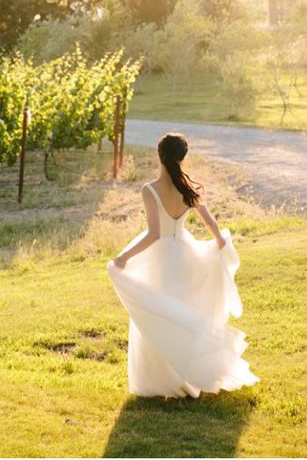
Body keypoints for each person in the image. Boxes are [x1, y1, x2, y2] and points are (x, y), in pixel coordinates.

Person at [107, 131, 258, 398]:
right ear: (182, 157)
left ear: (159, 155)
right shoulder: (189, 188)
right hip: (187, 255)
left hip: (162, 260)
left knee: (161, 316)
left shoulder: (150, 190)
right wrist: (221, 247)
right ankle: (186, 377)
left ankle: (165, 380)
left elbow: (154, 234)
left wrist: (124, 257)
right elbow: (211, 225)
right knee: (180, 313)